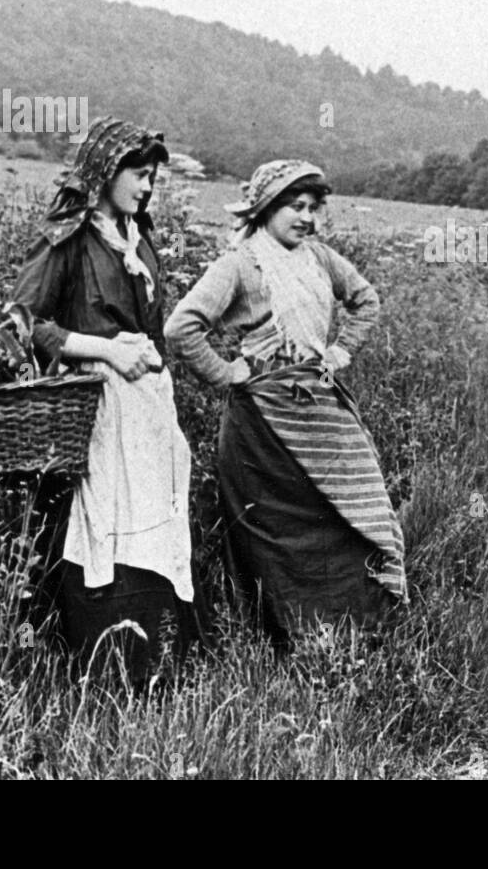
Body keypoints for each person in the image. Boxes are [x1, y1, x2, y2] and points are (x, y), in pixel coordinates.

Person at [165, 159, 405, 650]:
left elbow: (366, 300)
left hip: (318, 407)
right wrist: (226, 371)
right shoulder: (239, 264)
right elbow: (181, 327)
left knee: (355, 507)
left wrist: (339, 352)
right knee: (277, 528)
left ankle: (355, 627)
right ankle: (291, 637)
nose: (306, 218)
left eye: (314, 208)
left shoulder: (319, 258)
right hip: (261, 422)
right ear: (266, 208)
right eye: (295, 206)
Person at [12, 116, 197, 679]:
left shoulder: (141, 243)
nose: (145, 187)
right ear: (104, 172)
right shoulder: (69, 239)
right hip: (93, 403)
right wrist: (106, 349)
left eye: (152, 178)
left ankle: (152, 658)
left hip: (143, 406)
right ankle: (98, 657)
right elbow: (25, 322)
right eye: (137, 174)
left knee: (152, 521)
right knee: (102, 525)